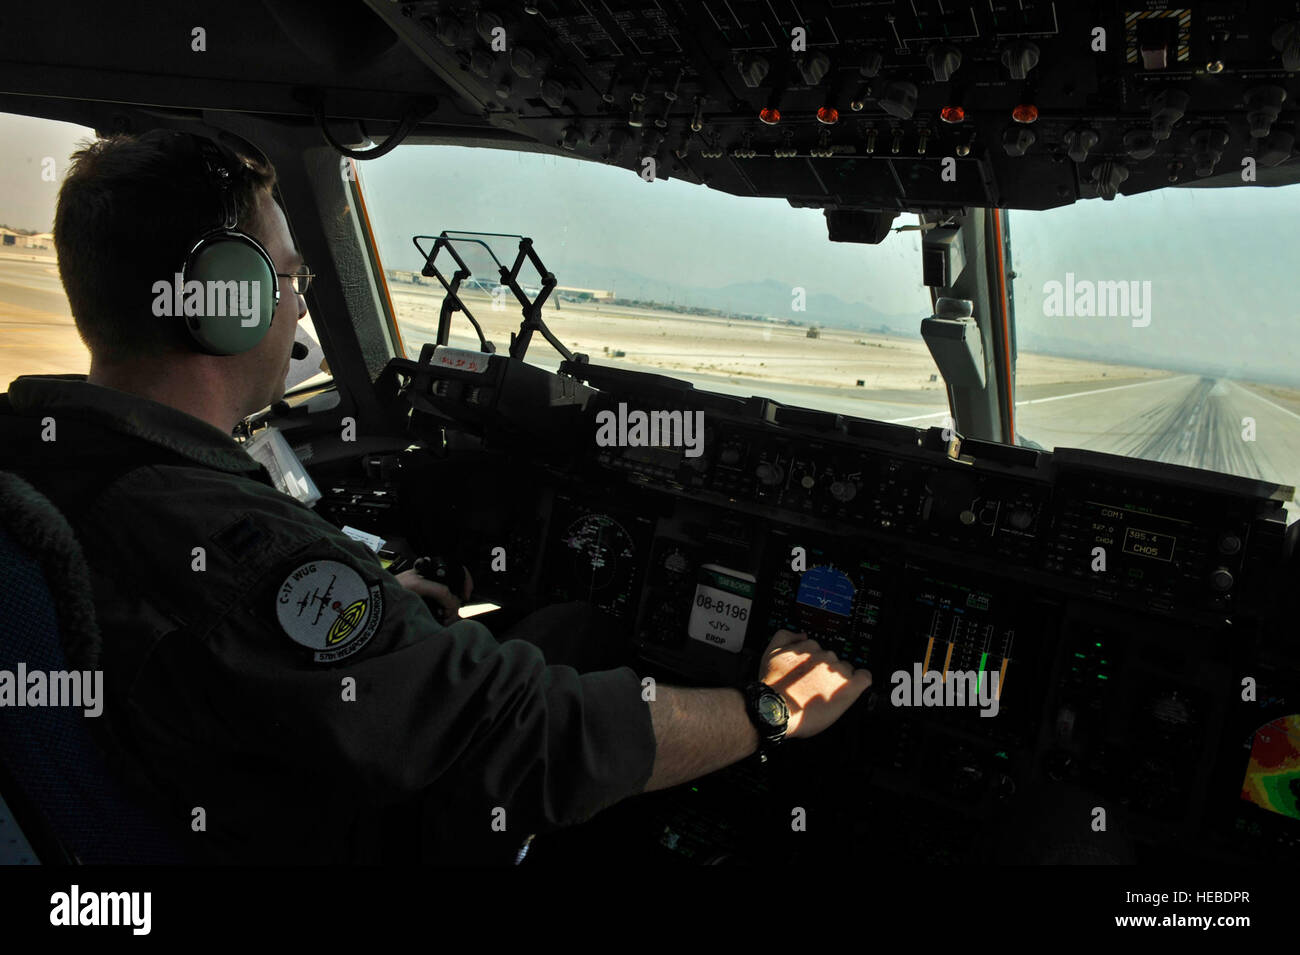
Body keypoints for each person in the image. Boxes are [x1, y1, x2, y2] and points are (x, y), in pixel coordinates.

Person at [0, 130, 871, 863]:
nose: (302, 316)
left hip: (199, 790)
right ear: (224, 298)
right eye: (293, 281)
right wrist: (770, 708)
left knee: (568, 630)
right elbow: (525, 737)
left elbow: (244, 636)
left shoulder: (40, 459)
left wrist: (368, 616)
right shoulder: (218, 539)